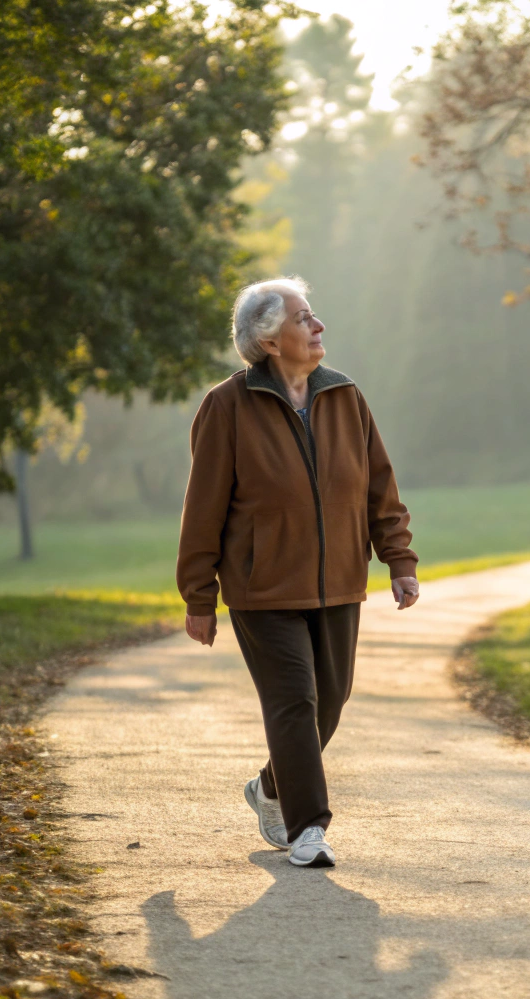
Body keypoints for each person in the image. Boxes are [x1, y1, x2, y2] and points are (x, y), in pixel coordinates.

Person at [175, 277, 418, 868]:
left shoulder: (345, 396)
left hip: (338, 582)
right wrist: (199, 597)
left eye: (313, 315)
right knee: (294, 702)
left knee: (330, 700)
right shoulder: (227, 406)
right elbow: (203, 508)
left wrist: (399, 559)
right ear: (268, 340)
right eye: (303, 318)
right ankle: (307, 828)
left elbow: (378, 486)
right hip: (262, 588)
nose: (318, 326)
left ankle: (271, 785)